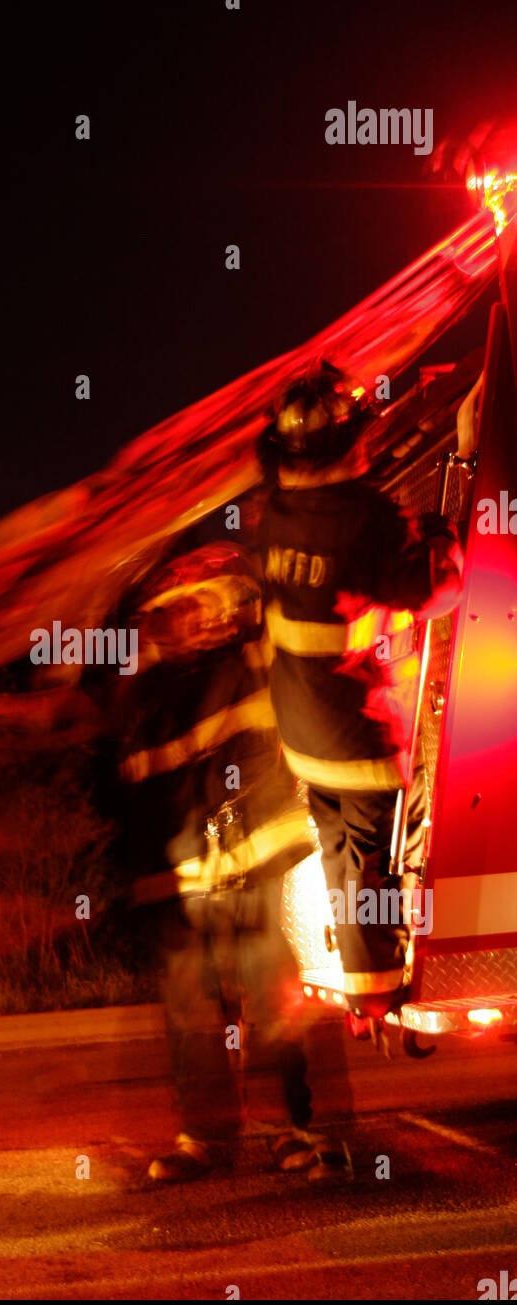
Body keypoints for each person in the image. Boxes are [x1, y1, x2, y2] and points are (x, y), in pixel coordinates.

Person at [95, 541, 353, 1184]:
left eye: (195, 606)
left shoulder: (254, 665)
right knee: (191, 1016)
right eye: (171, 612)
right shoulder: (149, 693)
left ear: (230, 609)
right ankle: (205, 1138)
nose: (186, 621)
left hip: (253, 869)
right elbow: (139, 787)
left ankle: (298, 1130)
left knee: (276, 1002)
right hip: (178, 881)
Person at [255, 362, 478, 1019]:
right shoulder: (367, 518)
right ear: (349, 441)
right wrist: (440, 532)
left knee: (344, 856)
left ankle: (367, 979)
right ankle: (378, 990)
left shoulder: (277, 514)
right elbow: (437, 588)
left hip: (303, 732)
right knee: (374, 859)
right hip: (359, 736)